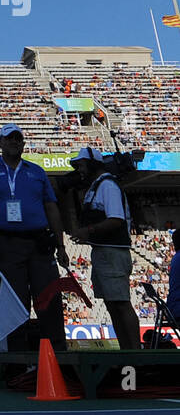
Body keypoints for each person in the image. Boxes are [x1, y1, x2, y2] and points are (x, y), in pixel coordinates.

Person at [0, 124, 68, 351]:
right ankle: (17, 357)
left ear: (23, 143)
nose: (14, 142)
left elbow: (52, 208)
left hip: (39, 243)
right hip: (7, 242)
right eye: (9, 138)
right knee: (15, 301)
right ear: (0, 143)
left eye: (18, 139)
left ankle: (57, 353)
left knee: (49, 298)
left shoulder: (36, 171)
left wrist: (60, 244)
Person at [67, 147, 140, 350]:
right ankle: (128, 352)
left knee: (121, 303)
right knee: (112, 304)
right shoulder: (98, 185)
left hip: (112, 252)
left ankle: (135, 354)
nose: (78, 169)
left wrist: (88, 231)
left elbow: (116, 219)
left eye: (81, 164)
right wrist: (89, 236)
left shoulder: (107, 185)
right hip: (104, 250)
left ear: (92, 164)